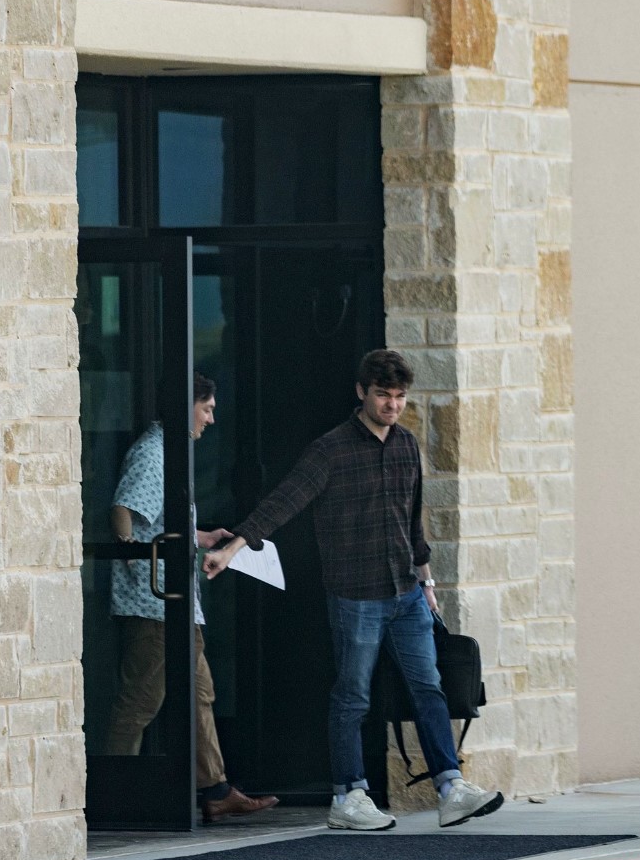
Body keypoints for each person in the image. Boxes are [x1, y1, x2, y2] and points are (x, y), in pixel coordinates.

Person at [204, 349, 503, 832]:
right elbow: (285, 499)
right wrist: (235, 546)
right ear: (362, 393)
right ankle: (348, 795)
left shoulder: (406, 446)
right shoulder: (332, 450)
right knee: (353, 696)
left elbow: (413, 522)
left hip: (406, 592)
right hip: (355, 595)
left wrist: (428, 585)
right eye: (383, 395)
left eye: (400, 397)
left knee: (430, 688)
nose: (392, 405)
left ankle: (451, 788)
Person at [106, 372, 279, 823]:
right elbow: (125, 510)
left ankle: (217, 789)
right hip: (157, 604)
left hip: (176, 603)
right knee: (142, 699)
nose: (212, 418)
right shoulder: (155, 452)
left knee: (199, 693)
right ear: (187, 408)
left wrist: (201, 537)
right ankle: (114, 791)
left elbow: (159, 521)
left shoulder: (173, 453)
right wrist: (133, 560)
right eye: (207, 408)